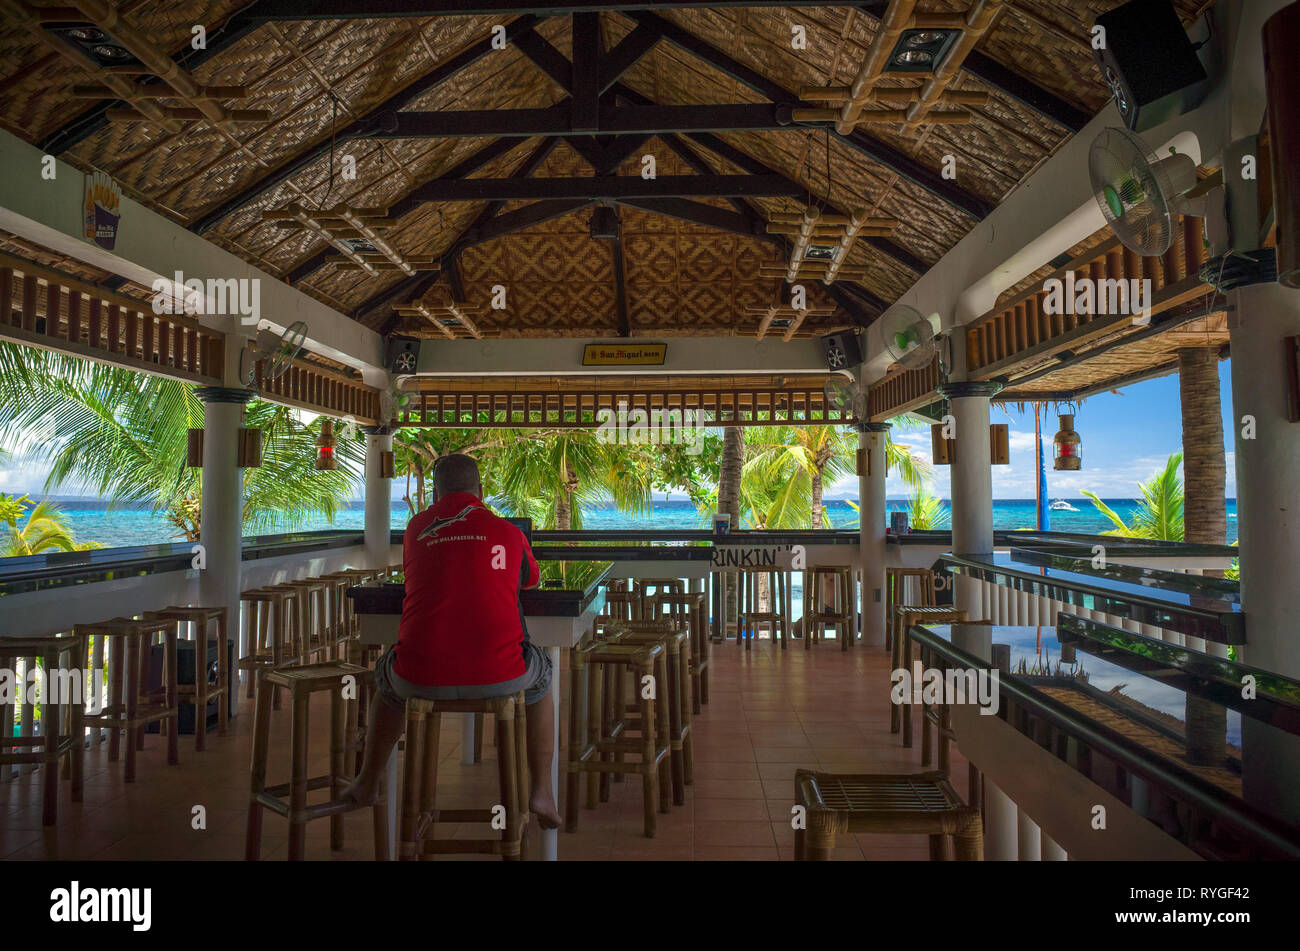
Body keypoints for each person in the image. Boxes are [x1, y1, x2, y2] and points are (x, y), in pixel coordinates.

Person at [343, 453, 562, 829]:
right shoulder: (509, 533)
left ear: (435, 493)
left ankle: (368, 781)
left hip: (418, 678)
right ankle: (541, 790)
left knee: (387, 680)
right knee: (543, 678)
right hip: (502, 676)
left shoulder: (416, 529)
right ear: (481, 491)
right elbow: (530, 582)